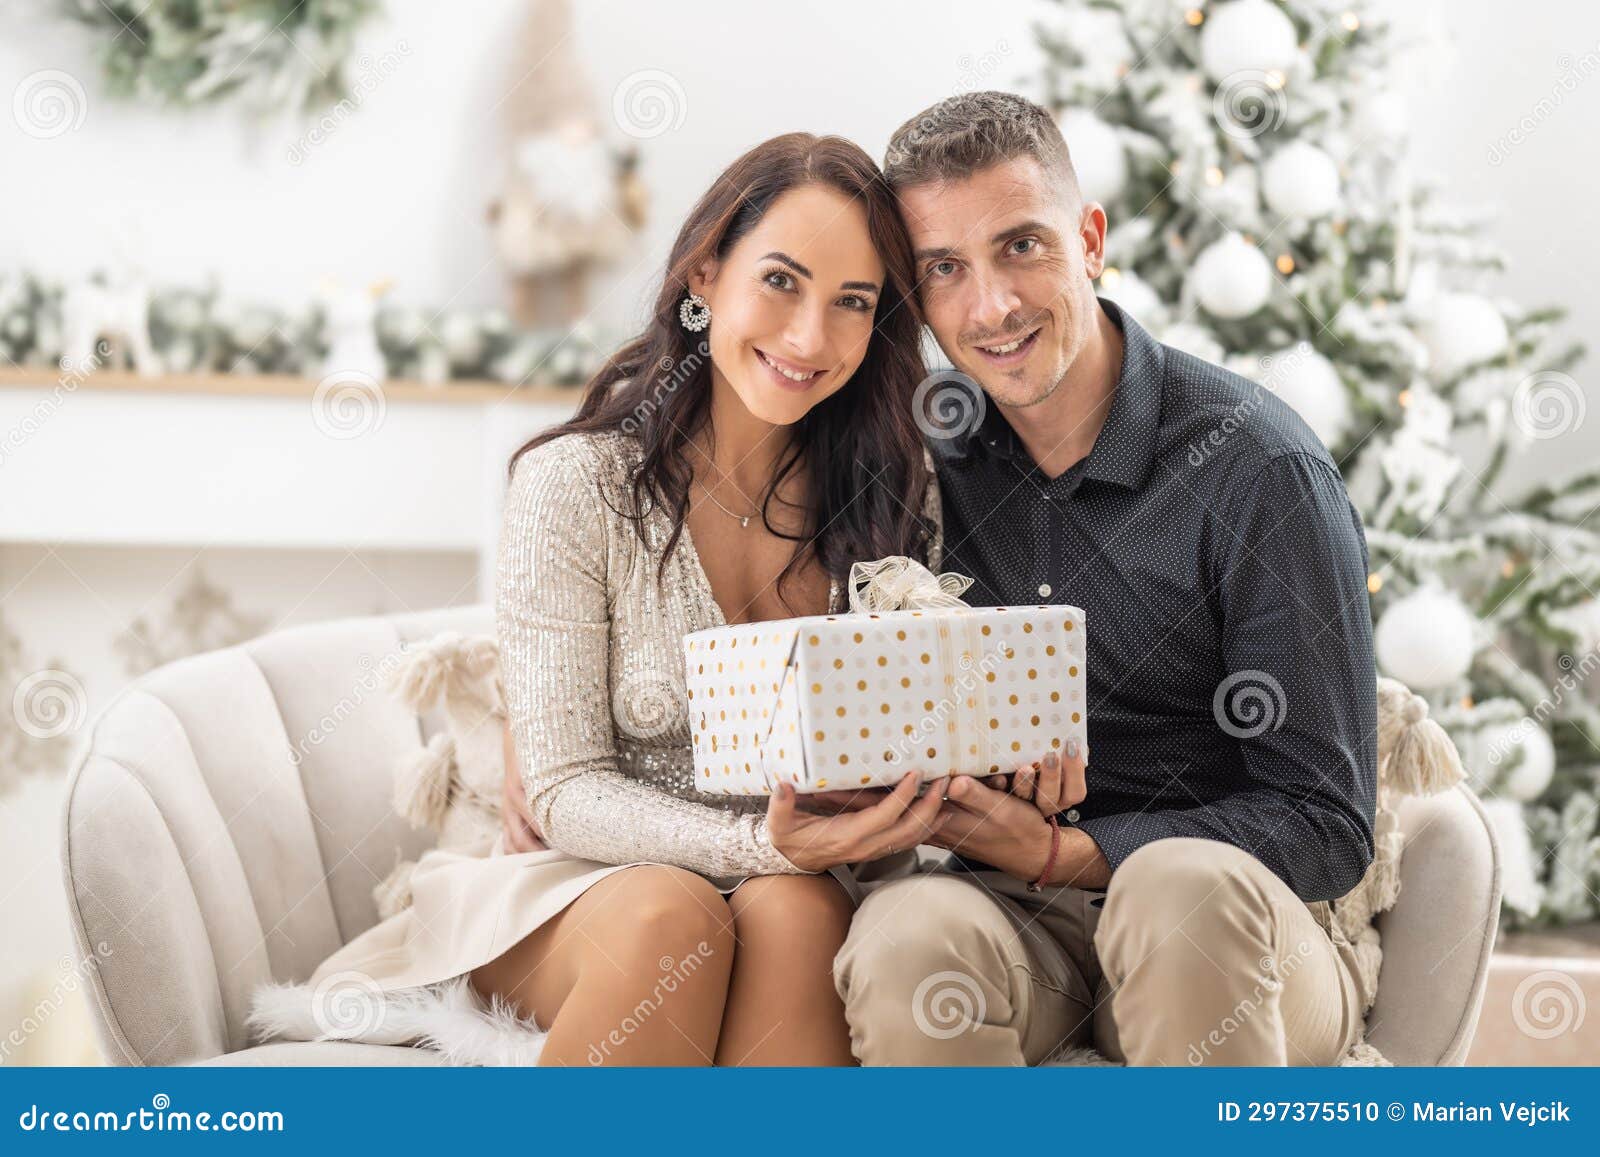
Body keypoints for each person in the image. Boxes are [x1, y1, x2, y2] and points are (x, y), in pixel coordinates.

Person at [312, 131, 1071, 1067]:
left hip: (791, 885)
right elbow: (562, 791)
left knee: (800, 913)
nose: (809, 337)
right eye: (781, 281)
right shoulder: (577, 484)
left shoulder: (892, 500)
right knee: (673, 913)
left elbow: (889, 798)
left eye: (853, 301)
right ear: (705, 274)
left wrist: (963, 782)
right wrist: (763, 844)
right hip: (575, 884)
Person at [824, 92, 1380, 1067]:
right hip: (1020, 924)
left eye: (1021, 246)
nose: (990, 307)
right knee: (905, 933)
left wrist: (1073, 851)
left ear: (1089, 240)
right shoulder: (922, 461)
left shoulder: (1257, 469)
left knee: (1171, 890)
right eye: (944, 268)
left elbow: (1326, 821)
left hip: (1243, 932)